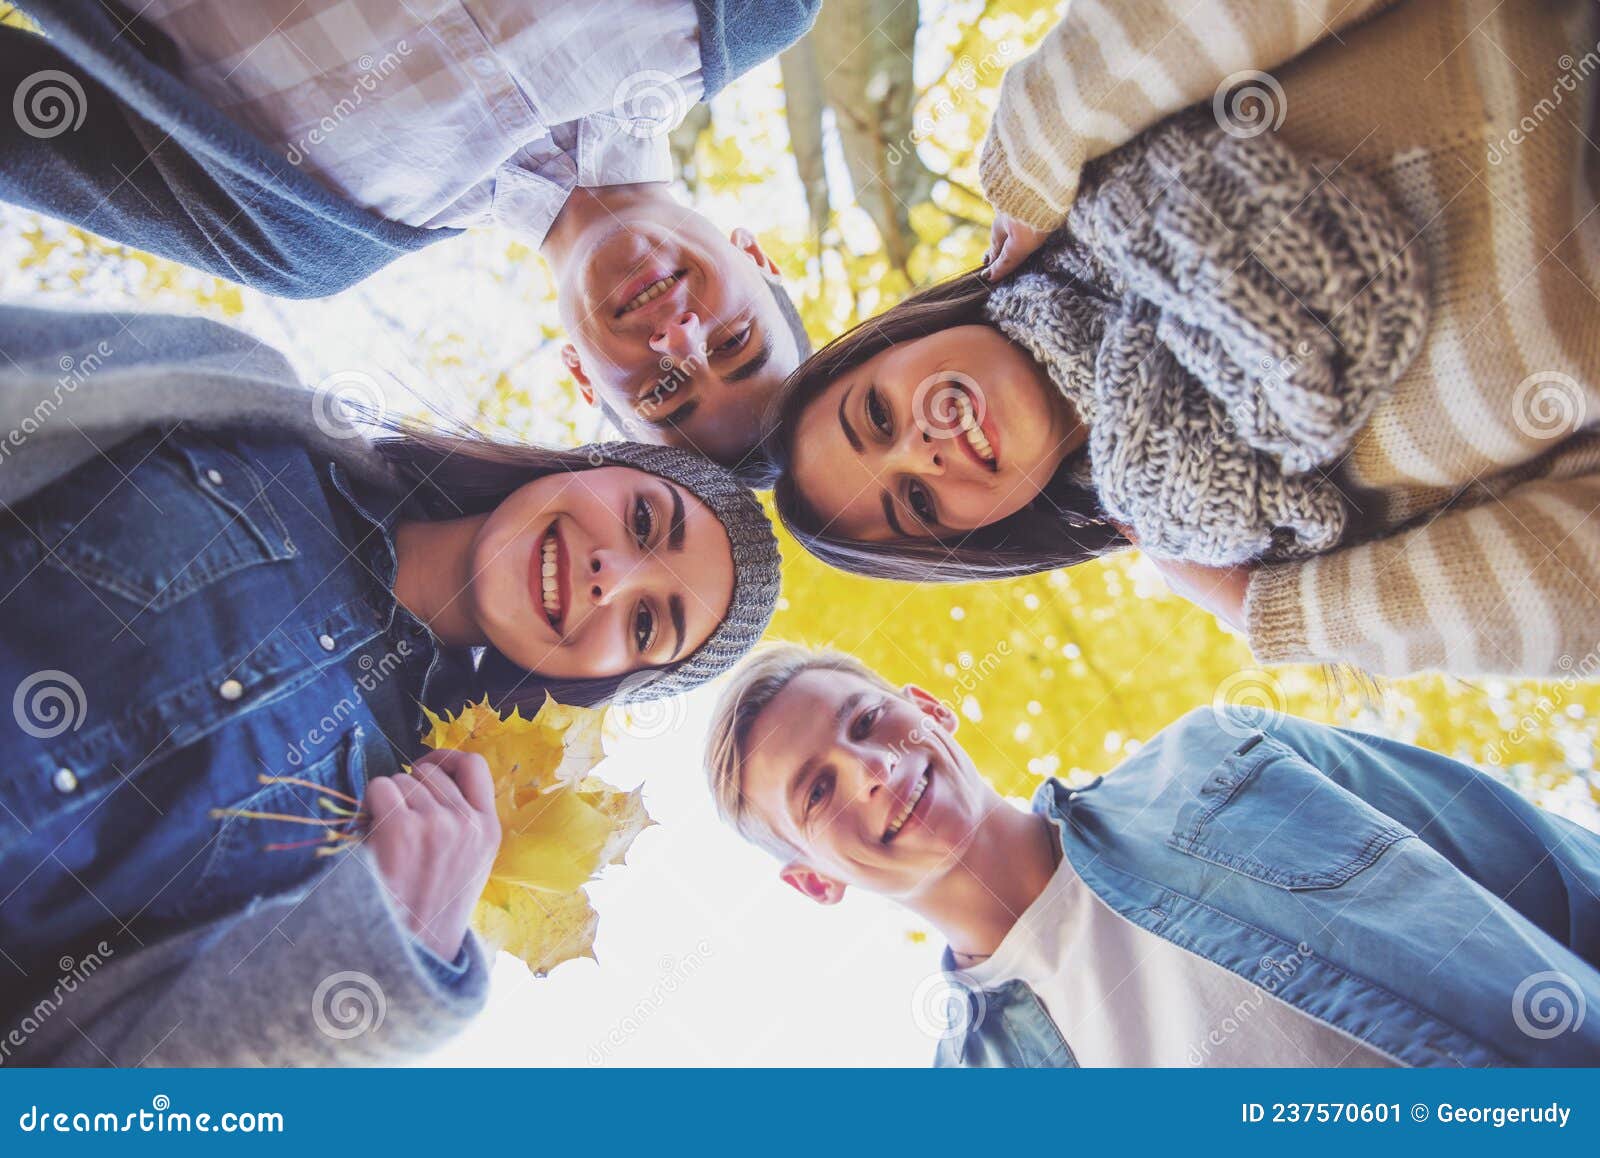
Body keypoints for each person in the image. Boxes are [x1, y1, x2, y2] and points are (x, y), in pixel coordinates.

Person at [0, 304, 782, 1065]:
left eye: (646, 625)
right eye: (644, 522)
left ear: (601, 683)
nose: (612, 578)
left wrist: (396, 962)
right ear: (597, 465)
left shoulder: (388, 852)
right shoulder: (241, 400)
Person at [762, 0, 1600, 680]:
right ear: (987, 532)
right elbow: (1579, 586)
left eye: (875, 415)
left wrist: (1031, 150)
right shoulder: (1285, 542)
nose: (922, 448)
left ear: (901, 339)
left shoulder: (1087, 156)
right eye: (916, 502)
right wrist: (1268, 615)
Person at [0, 0, 815, 466]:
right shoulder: (756, 7)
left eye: (663, 391)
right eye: (737, 339)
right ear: (756, 256)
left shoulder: (298, 238)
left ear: (581, 378)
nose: (679, 338)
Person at [705, 645, 1600, 1067]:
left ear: (932, 707)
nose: (870, 771)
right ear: (813, 880)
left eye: (866, 723)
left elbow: (1537, 863)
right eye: (816, 792)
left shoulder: (1217, 759)